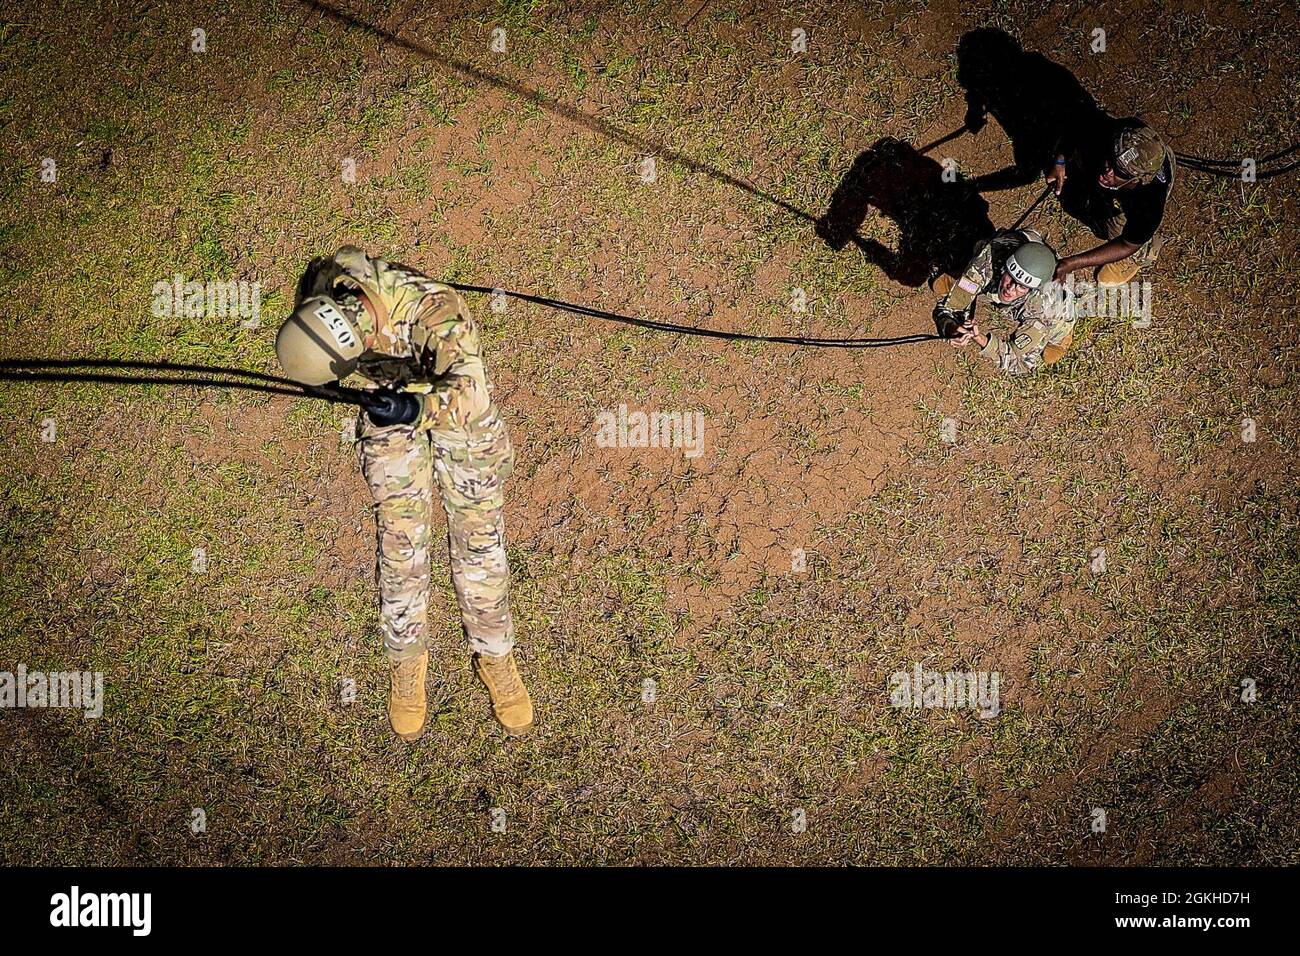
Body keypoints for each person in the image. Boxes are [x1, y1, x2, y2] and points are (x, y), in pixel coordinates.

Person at [275, 246, 533, 740]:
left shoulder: (439, 315)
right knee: (401, 539)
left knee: (478, 537)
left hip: (457, 408)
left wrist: (414, 411)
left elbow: (470, 397)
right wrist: (329, 382)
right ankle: (407, 661)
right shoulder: (322, 286)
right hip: (383, 397)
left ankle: (494, 654)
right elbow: (310, 343)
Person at [1047, 116, 1174, 287]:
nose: (1108, 171)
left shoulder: (1148, 204)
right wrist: (1060, 161)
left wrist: (1071, 263)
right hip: (1134, 164)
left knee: (1114, 228)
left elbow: (1126, 245)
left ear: (1137, 179)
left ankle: (1140, 256)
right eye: (1111, 160)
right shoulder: (1117, 135)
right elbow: (1078, 126)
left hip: (1141, 189)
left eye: (1119, 171)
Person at [935, 229, 1077, 375]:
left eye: (1021, 286)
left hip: (1054, 308)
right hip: (1022, 244)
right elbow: (948, 309)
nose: (1010, 288)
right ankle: (966, 279)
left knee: (1059, 324)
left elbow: (1019, 363)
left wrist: (980, 338)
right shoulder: (990, 257)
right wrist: (950, 326)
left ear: (1033, 289)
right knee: (978, 264)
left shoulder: (1044, 308)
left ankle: (1062, 337)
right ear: (1005, 268)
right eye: (1010, 277)